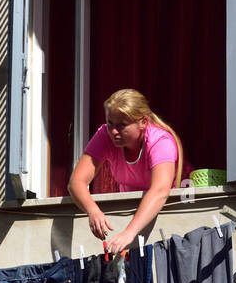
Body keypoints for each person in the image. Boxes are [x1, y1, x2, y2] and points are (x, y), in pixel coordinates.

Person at [68, 88, 192, 255]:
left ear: (143, 122)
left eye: (122, 125)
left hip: (176, 208)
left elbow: (160, 190)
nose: (113, 131)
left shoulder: (160, 141)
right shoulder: (104, 135)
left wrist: (129, 233)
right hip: (134, 214)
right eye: (110, 122)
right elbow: (76, 183)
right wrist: (93, 211)